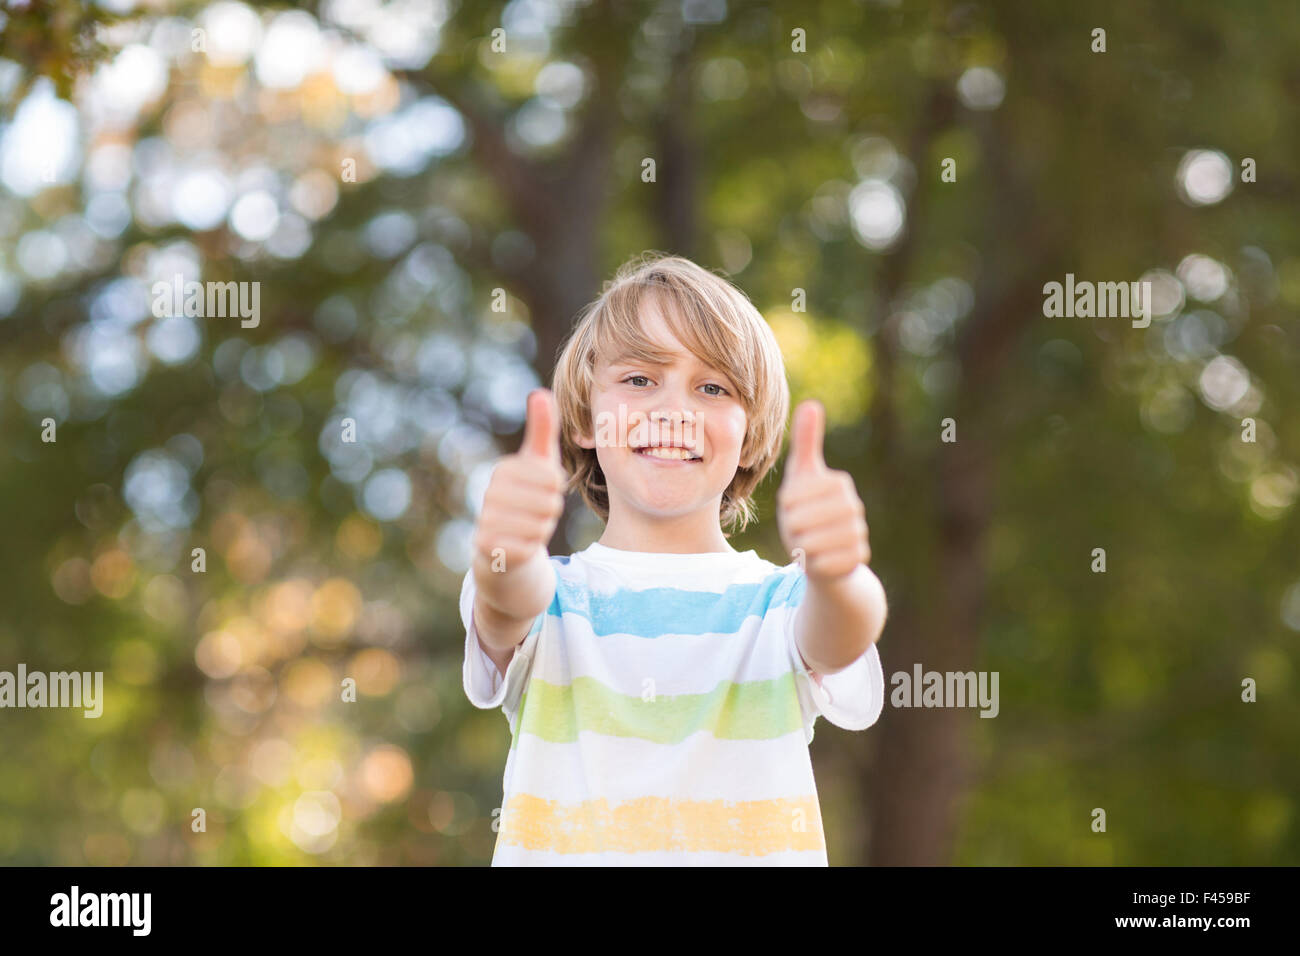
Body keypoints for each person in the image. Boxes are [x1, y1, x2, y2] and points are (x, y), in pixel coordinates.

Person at [459, 252, 888, 865]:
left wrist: (840, 573)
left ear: (750, 436)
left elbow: (844, 628)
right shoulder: (550, 601)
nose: (675, 409)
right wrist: (504, 551)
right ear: (584, 417)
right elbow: (506, 599)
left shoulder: (783, 603)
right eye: (639, 379)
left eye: (712, 387)